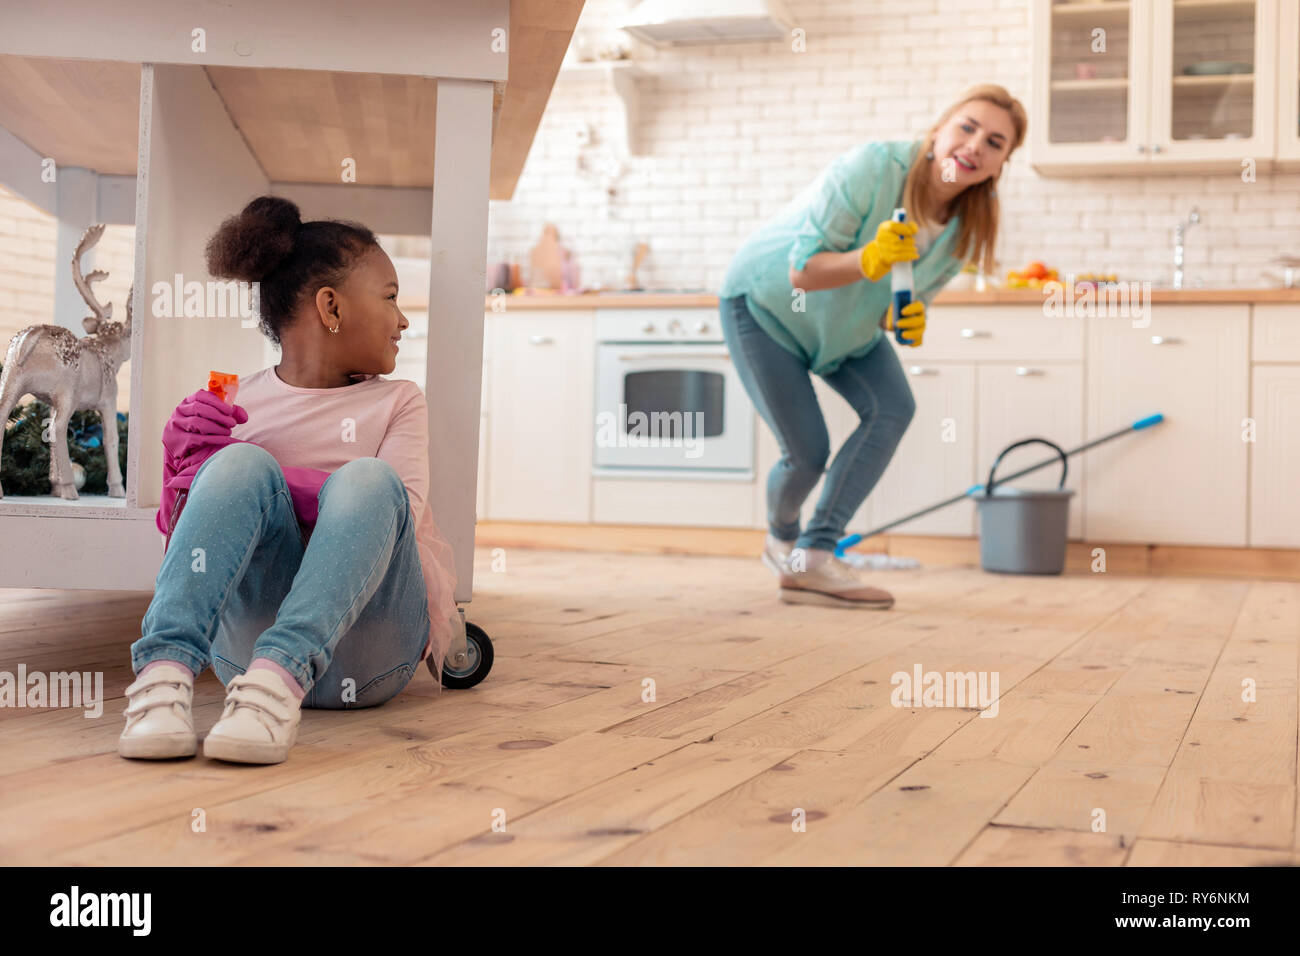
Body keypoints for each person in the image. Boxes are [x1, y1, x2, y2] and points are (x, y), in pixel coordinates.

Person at [119, 196, 458, 765]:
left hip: (370, 653)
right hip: (242, 659)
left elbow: (398, 514)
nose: (403, 321)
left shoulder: (399, 401)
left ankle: (280, 682)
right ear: (331, 306)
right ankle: (162, 677)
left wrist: (277, 481)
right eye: (391, 297)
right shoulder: (235, 400)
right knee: (236, 467)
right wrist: (183, 468)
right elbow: (189, 548)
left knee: (370, 482)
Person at [718, 83, 1027, 608]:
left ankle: (815, 556)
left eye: (995, 143)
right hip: (765, 306)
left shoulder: (967, 229)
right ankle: (783, 539)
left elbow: (902, 301)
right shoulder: (872, 167)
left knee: (892, 408)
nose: (976, 146)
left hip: (844, 326)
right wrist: (868, 259)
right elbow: (801, 270)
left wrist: (906, 317)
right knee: (807, 453)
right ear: (938, 132)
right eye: (968, 127)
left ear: (1000, 165)